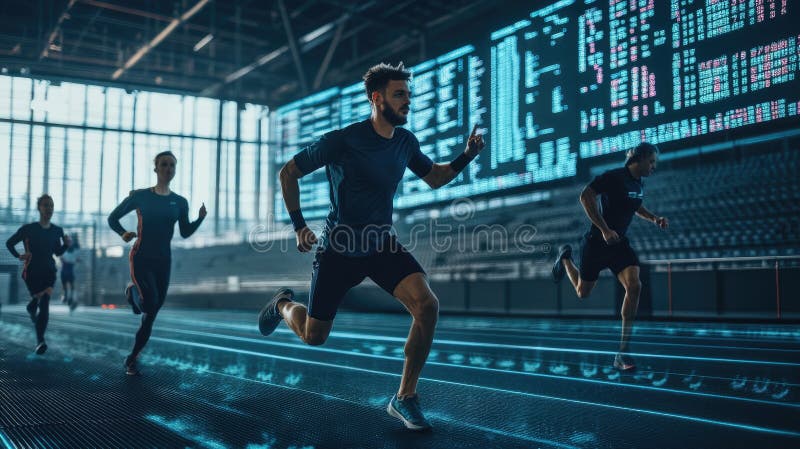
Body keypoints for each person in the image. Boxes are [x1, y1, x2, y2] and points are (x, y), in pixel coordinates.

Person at [258, 62, 486, 431]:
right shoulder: (342, 140)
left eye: (408, 95)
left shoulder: (405, 142)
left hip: (381, 244)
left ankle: (404, 398)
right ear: (376, 98)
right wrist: (299, 226)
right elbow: (288, 173)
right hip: (339, 249)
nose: (407, 102)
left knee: (427, 305)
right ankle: (282, 303)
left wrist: (466, 156)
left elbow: (436, 179)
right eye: (400, 95)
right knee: (314, 336)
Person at [552, 142, 668, 371]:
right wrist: (604, 229)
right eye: (652, 161)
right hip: (597, 242)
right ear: (639, 158)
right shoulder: (613, 177)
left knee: (635, 286)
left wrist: (654, 218)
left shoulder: (638, 183)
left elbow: (636, 206)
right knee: (582, 293)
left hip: (619, 245)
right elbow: (585, 196)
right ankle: (565, 258)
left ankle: (622, 352)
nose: (654, 166)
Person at [108, 150, 207, 375]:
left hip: (164, 260)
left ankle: (132, 358)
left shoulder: (180, 202)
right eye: (164, 165)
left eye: (172, 165)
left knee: (151, 314)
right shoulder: (140, 196)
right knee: (150, 302)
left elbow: (185, 232)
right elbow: (112, 218)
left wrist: (200, 218)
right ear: (156, 169)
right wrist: (123, 233)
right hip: (141, 256)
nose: (168, 169)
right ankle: (132, 292)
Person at [6, 194, 70, 354]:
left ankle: (40, 341)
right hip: (32, 271)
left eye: (51, 205)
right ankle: (32, 306)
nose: (49, 208)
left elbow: (57, 252)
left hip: (49, 271)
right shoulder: (28, 229)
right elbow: (9, 243)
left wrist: (66, 245)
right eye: (46, 205)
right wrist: (19, 255)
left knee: (45, 304)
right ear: (39, 208)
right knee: (41, 302)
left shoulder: (57, 231)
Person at [60, 234, 80, 312]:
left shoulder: (65, 250)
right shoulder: (76, 250)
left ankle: (67, 297)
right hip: (70, 269)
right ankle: (69, 299)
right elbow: (77, 259)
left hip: (65, 269)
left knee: (66, 285)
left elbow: (62, 258)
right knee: (72, 286)